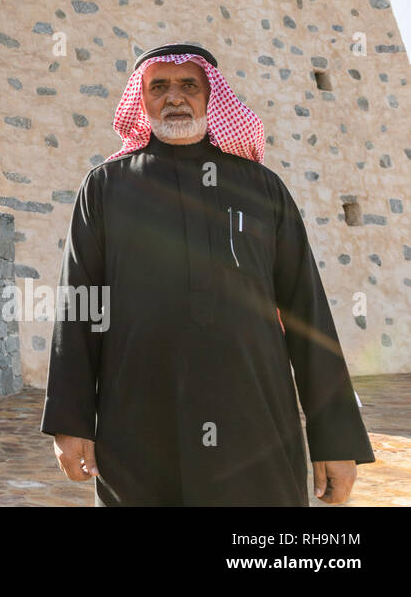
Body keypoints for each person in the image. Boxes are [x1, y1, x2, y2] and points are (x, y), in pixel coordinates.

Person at [39, 41, 375, 506]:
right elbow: (80, 307)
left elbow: (307, 312)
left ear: (210, 96)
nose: (174, 97)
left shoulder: (262, 188)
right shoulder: (104, 188)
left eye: (188, 86)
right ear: (142, 100)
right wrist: (70, 421)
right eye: (159, 87)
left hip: (256, 424)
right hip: (137, 424)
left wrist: (336, 438)